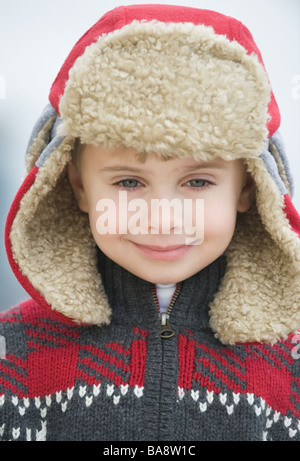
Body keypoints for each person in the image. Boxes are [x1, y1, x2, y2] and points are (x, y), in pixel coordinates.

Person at [1, 4, 300, 442]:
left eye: (197, 181)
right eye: (128, 181)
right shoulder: (13, 352)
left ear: (249, 189)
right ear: (78, 186)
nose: (162, 217)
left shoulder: (289, 362)